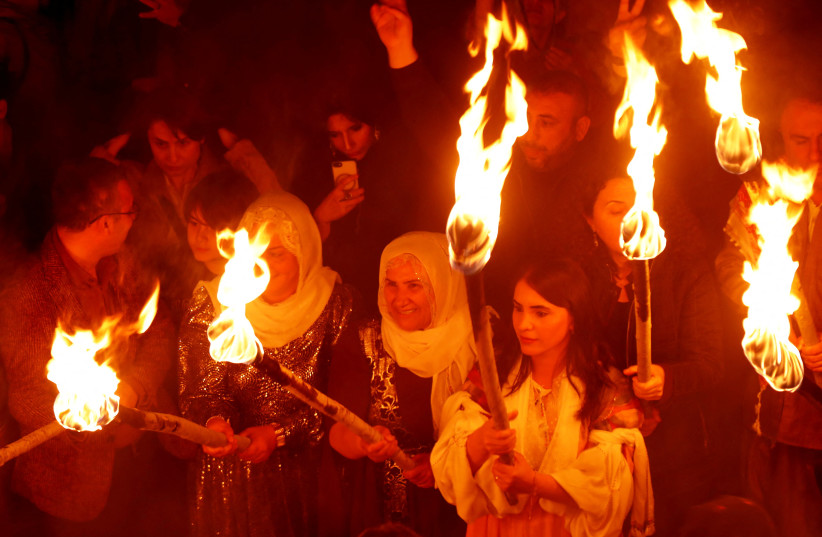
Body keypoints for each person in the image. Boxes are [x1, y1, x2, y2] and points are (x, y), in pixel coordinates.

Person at [0, 158, 176, 536]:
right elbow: (27, 399)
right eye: (130, 211)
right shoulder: (27, 293)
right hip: (67, 494)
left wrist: (135, 388)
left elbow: (160, 330)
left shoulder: (123, 262)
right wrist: (101, 420)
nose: (134, 219)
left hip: (138, 468)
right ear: (105, 222)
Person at [178, 192, 359, 537]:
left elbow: (343, 403)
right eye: (255, 253)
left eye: (276, 253)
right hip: (232, 476)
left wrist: (281, 434)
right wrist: (215, 423)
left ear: (304, 251)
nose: (263, 266)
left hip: (309, 473)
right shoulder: (215, 303)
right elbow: (200, 389)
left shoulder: (336, 304)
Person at [431, 258, 652, 536]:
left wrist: (534, 483)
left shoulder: (603, 387)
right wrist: (483, 440)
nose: (524, 324)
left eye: (541, 313)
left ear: (573, 319)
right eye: (518, 308)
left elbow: (608, 487)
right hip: (497, 527)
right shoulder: (493, 374)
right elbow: (451, 474)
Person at [582, 171, 722, 535]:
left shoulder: (685, 272)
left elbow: (710, 362)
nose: (632, 220)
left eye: (641, 207)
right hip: (594, 447)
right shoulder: (576, 276)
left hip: (674, 452)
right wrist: (620, 405)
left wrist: (665, 379)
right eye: (616, 210)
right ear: (590, 220)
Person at [714, 85, 822, 537]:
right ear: (781, 139)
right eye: (801, 139)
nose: (815, 153)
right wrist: (775, 325)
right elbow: (731, 269)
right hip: (785, 413)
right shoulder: (759, 200)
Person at [324, 232, 470, 537]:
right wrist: (364, 442)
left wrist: (443, 464)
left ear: (443, 284)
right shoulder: (363, 340)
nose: (400, 300)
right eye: (391, 284)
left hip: (459, 505)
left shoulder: (478, 341)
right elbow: (337, 431)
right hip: (381, 506)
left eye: (414, 285)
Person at [294, 96, 424, 306]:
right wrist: (320, 218)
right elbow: (299, 256)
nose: (347, 144)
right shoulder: (315, 172)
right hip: (336, 295)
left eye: (355, 129)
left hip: (399, 291)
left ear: (373, 124)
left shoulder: (405, 164)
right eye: (335, 135)